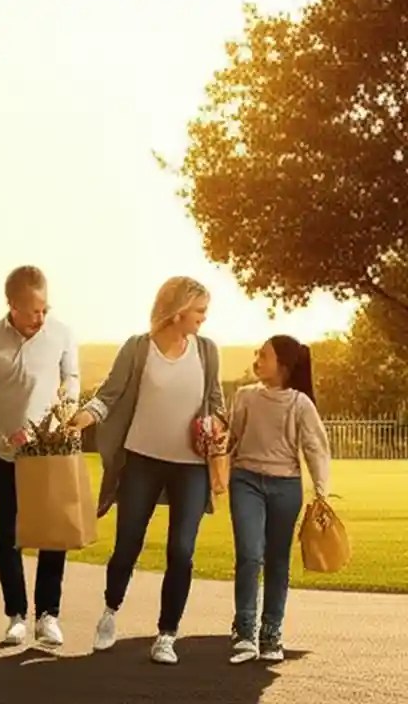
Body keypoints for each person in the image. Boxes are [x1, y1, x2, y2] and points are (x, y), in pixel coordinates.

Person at [65, 275, 223, 665]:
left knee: (181, 551)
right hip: (141, 460)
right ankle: (110, 612)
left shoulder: (206, 350)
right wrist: (81, 418)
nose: (204, 318)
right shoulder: (139, 348)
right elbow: (109, 394)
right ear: (177, 311)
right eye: (199, 310)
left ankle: (167, 635)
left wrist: (217, 424)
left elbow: (217, 401)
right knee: (127, 545)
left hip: (190, 467)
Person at [0, 265, 80, 647]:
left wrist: (63, 414)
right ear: (12, 305)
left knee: (52, 531)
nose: (40, 317)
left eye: (44, 309)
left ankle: (48, 615)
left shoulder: (61, 333)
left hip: (47, 449)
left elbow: (71, 379)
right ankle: (16, 615)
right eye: (32, 311)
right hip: (1, 448)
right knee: (9, 532)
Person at [226, 335, 331, 664]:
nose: (257, 360)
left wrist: (322, 491)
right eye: (257, 354)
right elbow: (231, 437)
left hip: (286, 487)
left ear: (283, 366)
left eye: (264, 356)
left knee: (277, 560)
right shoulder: (244, 396)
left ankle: (271, 633)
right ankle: (245, 633)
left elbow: (315, 447)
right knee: (249, 554)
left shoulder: (300, 403)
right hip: (245, 481)